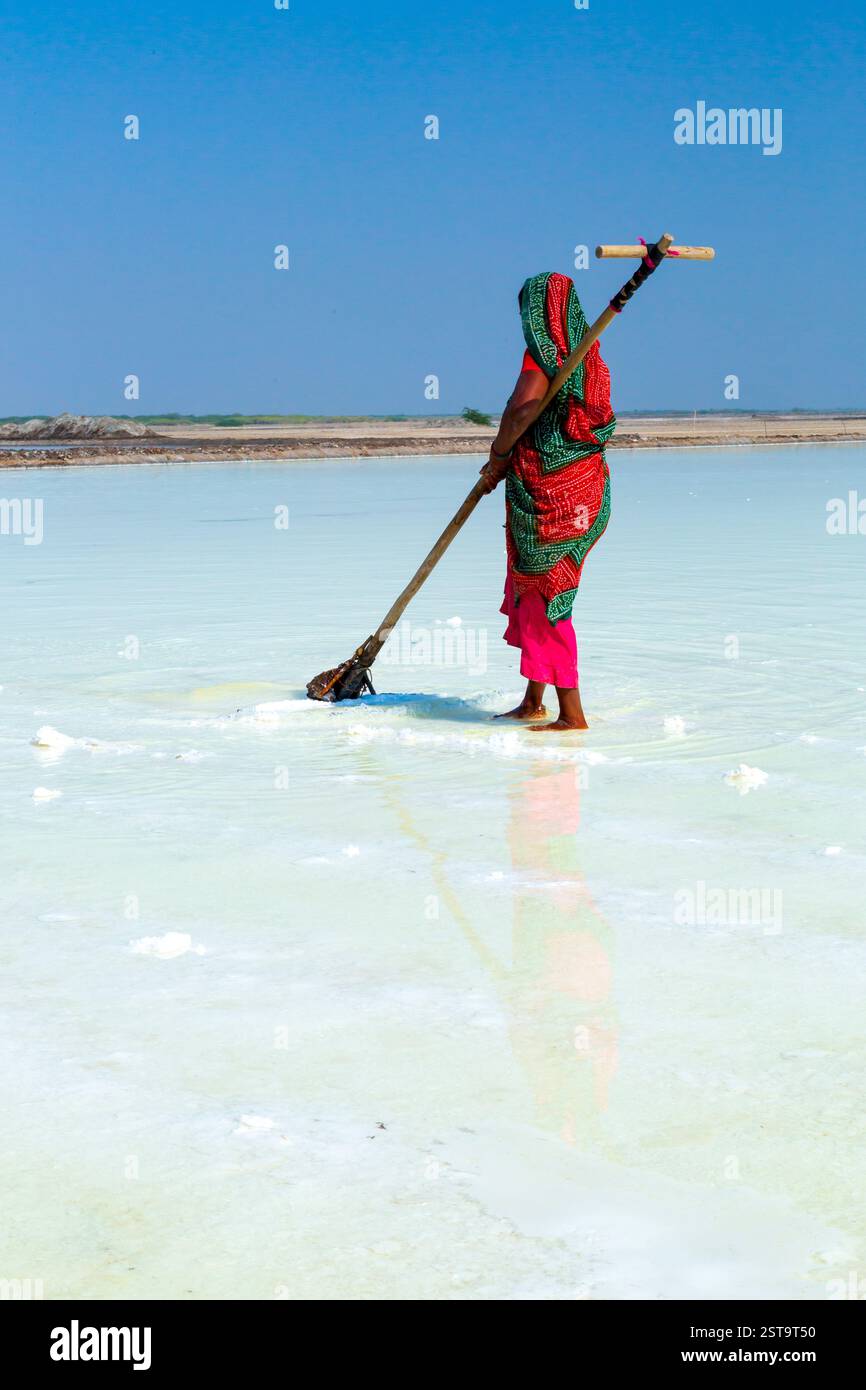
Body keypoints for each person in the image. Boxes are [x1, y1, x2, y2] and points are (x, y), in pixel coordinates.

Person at [479, 271, 616, 731]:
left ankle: (572, 716)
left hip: (555, 503)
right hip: (583, 493)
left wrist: (497, 458)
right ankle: (533, 701)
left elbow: (523, 410)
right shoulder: (588, 358)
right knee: (533, 591)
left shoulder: (542, 357)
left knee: (548, 595)